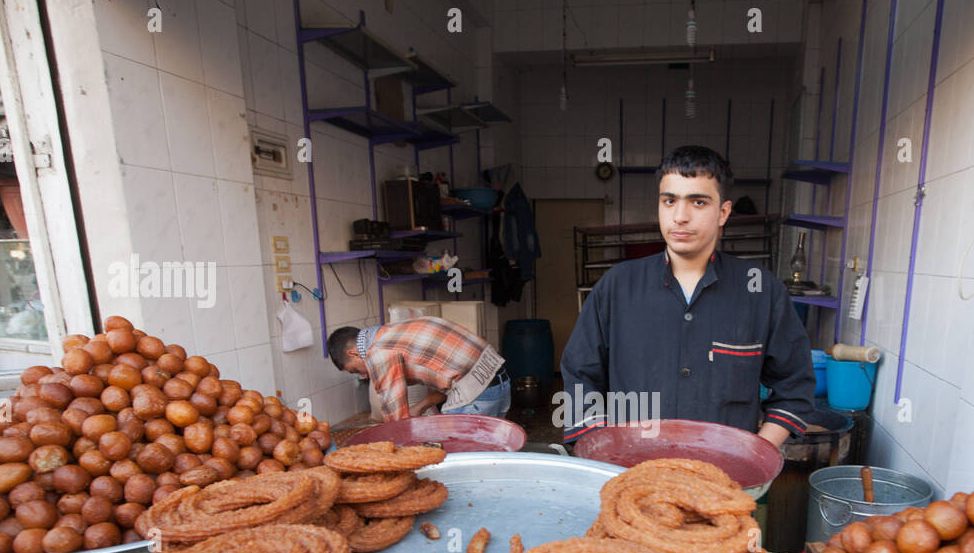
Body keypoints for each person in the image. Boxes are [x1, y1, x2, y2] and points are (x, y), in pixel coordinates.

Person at [560, 145, 815, 447]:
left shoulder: (762, 292)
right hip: (630, 472)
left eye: (698, 202)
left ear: (723, 213)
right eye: (669, 201)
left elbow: (795, 386)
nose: (680, 216)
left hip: (724, 481)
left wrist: (753, 456)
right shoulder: (617, 286)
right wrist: (603, 451)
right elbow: (580, 376)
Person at [327, 317, 510, 420]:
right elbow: (447, 381)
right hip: (499, 384)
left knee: (458, 465)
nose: (364, 375)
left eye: (356, 370)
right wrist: (420, 407)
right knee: (489, 459)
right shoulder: (393, 332)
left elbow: (397, 421)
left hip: (476, 397)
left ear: (353, 353)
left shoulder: (378, 353)